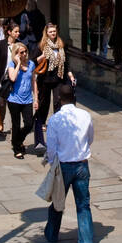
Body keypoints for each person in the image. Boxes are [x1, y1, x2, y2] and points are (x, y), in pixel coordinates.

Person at [44, 83, 96, 243]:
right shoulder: (85, 115)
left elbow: (51, 147)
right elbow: (90, 138)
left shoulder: (55, 119)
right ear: (74, 98)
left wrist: (52, 164)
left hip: (64, 166)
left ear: (59, 99)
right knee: (83, 205)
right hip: (82, 165)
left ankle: (51, 234)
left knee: (58, 201)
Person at [33, 23, 75, 154]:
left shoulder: (61, 45)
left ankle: (58, 130)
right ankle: (40, 135)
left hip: (58, 79)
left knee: (58, 103)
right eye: (50, 32)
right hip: (44, 80)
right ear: (46, 33)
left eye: (54, 31)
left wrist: (70, 75)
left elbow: (66, 62)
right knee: (43, 105)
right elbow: (33, 62)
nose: (53, 33)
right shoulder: (41, 46)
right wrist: (42, 57)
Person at [4, 40, 36, 159]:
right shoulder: (12, 64)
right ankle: (17, 148)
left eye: (25, 51)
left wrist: (36, 98)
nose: (24, 54)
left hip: (28, 99)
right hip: (14, 99)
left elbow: (33, 81)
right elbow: (12, 78)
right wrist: (18, 64)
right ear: (16, 54)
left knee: (29, 124)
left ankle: (17, 140)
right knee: (16, 124)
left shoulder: (31, 64)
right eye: (21, 52)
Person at [0, 21, 19, 140]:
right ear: (9, 32)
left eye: (18, 31)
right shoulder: (1, 44)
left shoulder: (19, 45)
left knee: (14, 103)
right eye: (15, 31)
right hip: (2, 78)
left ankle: (14, 124)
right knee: (1, 102)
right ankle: (0, 124)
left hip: (15, 78)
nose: (18, 33)